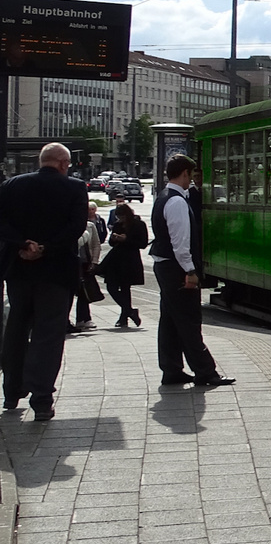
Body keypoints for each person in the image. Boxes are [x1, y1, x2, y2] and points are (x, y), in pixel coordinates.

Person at [0, 143, 88, 419]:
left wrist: (23, 245)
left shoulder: (11, 185)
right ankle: (41, 398)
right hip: (55, 272)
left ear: (42, 161)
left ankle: (11, 391)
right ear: (63, 164)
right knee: (48, 334)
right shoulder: (74, 188)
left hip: (18, 270)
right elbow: (76, 228)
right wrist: (46, 248)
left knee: (16, 328)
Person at [150, 154, 234, 387]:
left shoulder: (163, 197)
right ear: (185, 173)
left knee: (169, 320)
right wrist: (190, 270)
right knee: (188, 320)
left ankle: (171, 369)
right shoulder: (176, 201)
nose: (192, 179)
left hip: (164, 265)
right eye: (191, 174)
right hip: (176, 268)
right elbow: (181, 243)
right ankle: (206, 371)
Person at [100, 202, 148, 328]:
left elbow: (142, 243)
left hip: (130, 259)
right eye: (118, 217)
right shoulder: (117, 225)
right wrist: (115, 238)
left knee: (126, 288)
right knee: (112, 287)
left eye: (122, 217)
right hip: (116, 259)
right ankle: (130, 311)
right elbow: (111, 242)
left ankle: (124, 316)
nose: (120, 220)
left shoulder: (138, 225)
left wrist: (126, 239)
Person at [72, 202, 102, 332]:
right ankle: (66, 320)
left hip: (85, 263)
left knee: (85, 292)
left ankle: (83, 319)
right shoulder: (70, 227)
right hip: (72, 264)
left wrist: (94, 262)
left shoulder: (90, 227)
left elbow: (96, 245)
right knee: (70, 293)